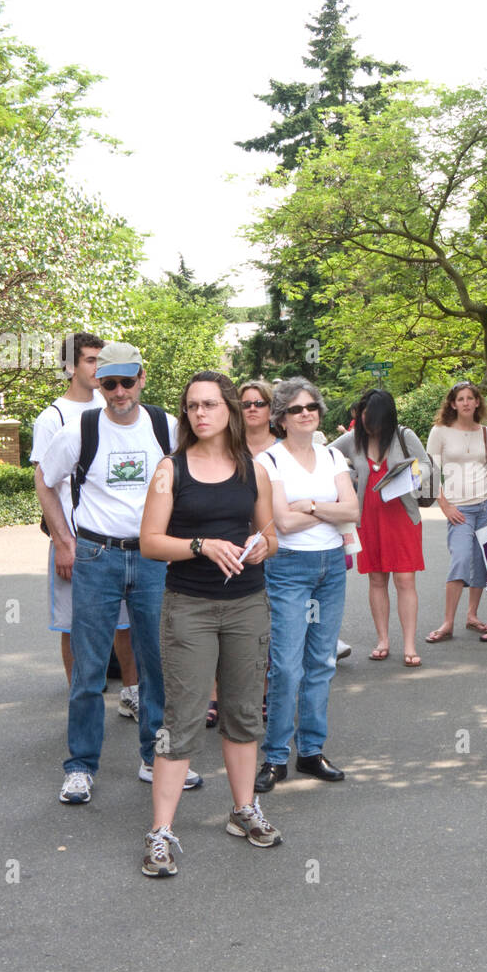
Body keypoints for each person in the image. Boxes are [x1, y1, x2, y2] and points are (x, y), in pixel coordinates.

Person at [38, 342, 201, 804]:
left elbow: (189, 476)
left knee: (156, 664)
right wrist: (64, 539)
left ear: (141, 379)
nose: (118, 391)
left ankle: (155, 758)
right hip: (96, 555)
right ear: (97, 383)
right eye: (108, 382)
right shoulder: (80, 429)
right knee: (89, 669)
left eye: (127, 381)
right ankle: (81, 766)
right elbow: (45, 481)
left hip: (152, 557)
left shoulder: (164, 426)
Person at [137, 372, 279, 876]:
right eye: (192, 405)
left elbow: (270, 535)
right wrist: (200, 545)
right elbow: (150, 541)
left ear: (230, 412)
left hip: (247, 603)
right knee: (183, 718)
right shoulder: (169, 469)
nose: (200, 413)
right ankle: (160, 832)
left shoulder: (253, 469)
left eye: (211, 405)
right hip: (190, 606)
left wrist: (263, 545)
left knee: (243, 712)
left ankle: (244, 810)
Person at [253, 377, 359, 793]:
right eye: (297, 409)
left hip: (331, 565)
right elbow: (283, 522)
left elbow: (354, 509)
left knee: (322, 663)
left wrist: (311, 506)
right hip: (289, 568)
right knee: (286, 665)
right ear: (281, 417)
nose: (306, 414)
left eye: (312, 406)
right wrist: (330, 511)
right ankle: (276, 756)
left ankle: (311, 752)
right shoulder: (270, 461)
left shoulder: (332, 456)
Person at [32, 332, 141, 720]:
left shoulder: (117, 405)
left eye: (103, 362)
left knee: (126, 621)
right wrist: (63, 542)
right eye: (91, 361)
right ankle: (80, 693)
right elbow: (45, 482)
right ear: (69, 366)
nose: (100, 370)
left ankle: (132, 692)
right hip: (74, 539)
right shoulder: (54, 418)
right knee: (73, 623)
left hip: (121, 543)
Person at [330, 389, 427, 666]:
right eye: (364, 417)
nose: (368, 424)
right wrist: (351, 476)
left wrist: (411, 478)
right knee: (376, 579)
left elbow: (427, 465)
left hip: (401, 514)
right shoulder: (353, 439)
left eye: (374, 419)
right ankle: (382, 639)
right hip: (369, 515)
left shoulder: (404, 436)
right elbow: (325, 456)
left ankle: (409, 644)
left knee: (405, 580)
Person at [425, 381, 487, 644]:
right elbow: (429, 471)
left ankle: (472, 614)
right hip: (459, 507)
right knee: (460, 559)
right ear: (452, 403)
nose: (466, 402)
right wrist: (445, 505)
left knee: (482, 561)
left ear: (477, 402)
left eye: (471, 398)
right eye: (461, 399)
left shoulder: (486, 433)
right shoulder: (440, 432)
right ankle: (447, 622)